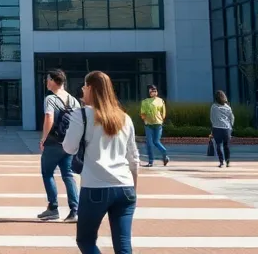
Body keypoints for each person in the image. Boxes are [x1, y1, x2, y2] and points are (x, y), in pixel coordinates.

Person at [62, 71, 139, 254]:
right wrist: (134, 189)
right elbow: (134, 158)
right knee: (123, 245)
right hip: (126, 188)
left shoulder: (81, 115)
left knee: (85, 240)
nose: (81, 90)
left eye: (84, 86)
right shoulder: (124, 118)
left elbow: (69, 148)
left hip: (96, 187)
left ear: (90, 88)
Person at [39, 69, 79, 222]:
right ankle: (74, 210)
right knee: (68, 175)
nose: (46, 82)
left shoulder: (50, 99)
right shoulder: (73, 100)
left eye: (48, 79)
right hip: (68, 142)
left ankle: (53, 208)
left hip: (53, 142)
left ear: (54, 81)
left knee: (47, 173)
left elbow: (49, 117)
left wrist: (43, 138)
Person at [139, 84, 170, 168]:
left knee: (156, 141)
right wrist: (145, 118)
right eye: (152, 91)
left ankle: (164, 154)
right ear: (149, 92)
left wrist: (161, 119)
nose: (154, 92)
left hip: (158, 123)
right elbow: (142, 113)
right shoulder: (145, 102)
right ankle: (150, 161)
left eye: (155, 91)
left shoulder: (161, 101)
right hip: (148, 125)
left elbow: (163, 112)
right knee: (149, 143)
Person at [211, 90, 235, 168]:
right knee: (226, 145)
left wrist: (214, 124)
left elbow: (212, 118)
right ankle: (227, 161)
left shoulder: (214, 107)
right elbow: (232, 117)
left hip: (217, 128)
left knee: (218, 145)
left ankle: (221, 162)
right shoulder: (228, 107)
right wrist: (231, 126)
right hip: (226, 129)